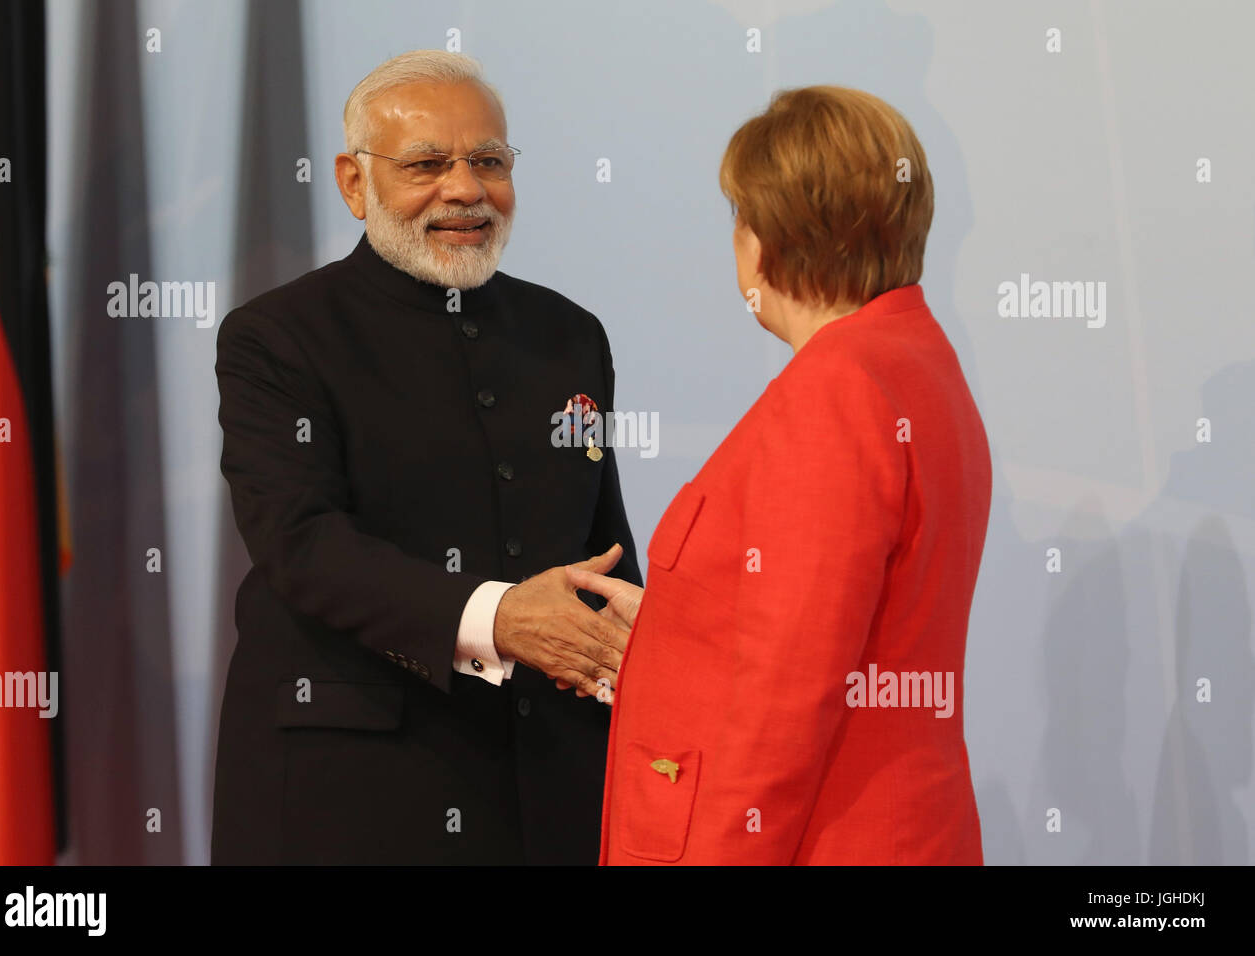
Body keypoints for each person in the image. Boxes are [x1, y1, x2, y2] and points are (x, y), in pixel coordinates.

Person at [211, 50, 640, 864]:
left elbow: (604, 551)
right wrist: (500, 620)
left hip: (554, 788)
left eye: (488, 161)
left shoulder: (569, 336)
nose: (465, 189)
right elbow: (301, 544)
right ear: (351, 181)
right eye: (426, 165)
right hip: (352, 791)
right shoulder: (278, 338)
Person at [569, 86, 992, 864]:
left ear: (770, 238)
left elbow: (787, 696)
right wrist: (676, 631)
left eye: (740, 214)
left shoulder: (836, 391)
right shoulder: (915, 361)